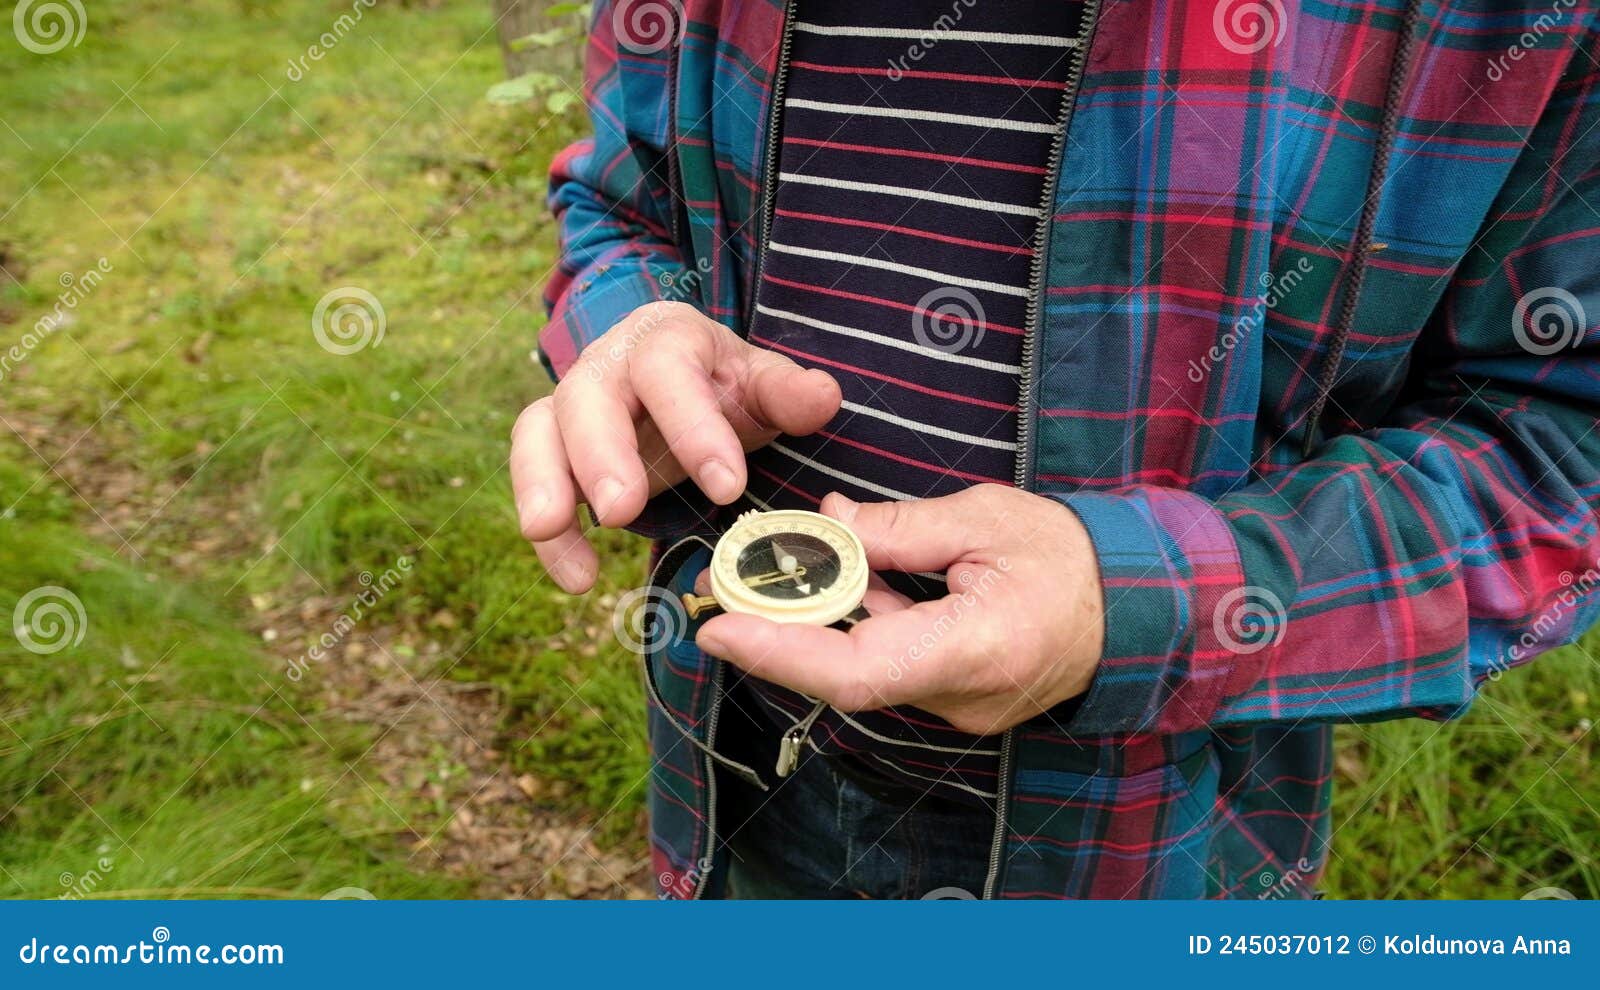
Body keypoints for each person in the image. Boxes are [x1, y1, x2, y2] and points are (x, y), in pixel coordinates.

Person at [510, 0, 1600, 898]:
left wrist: (1134, 606)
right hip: (738, 779)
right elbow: (623, 202)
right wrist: (632, 323)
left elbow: (1559, 445)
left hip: (1145, 854)